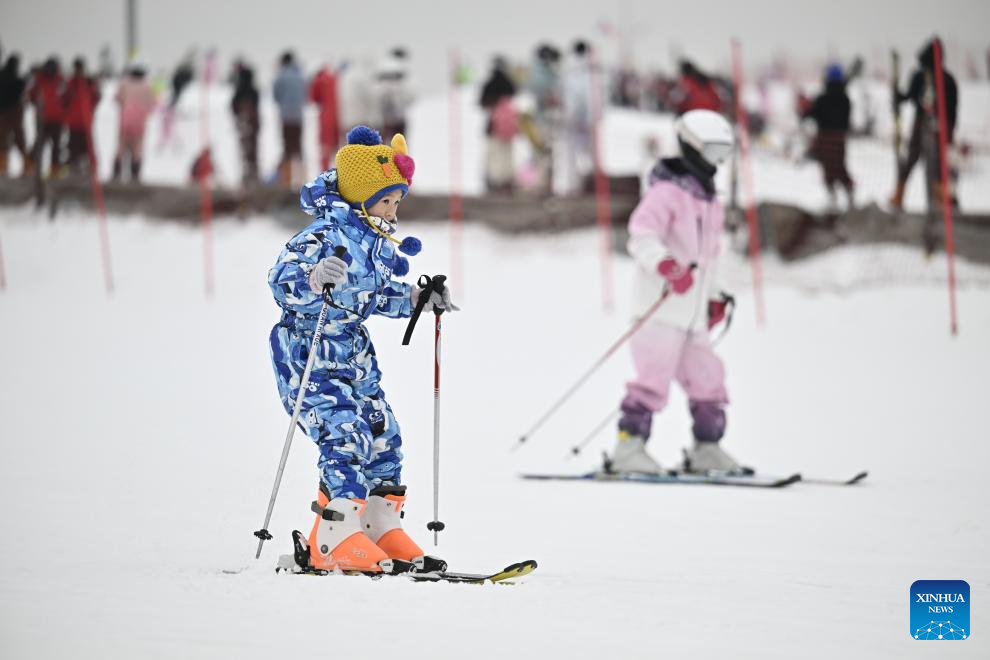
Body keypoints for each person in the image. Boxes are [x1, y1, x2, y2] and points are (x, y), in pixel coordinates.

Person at [268, 125, 457, 573]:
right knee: (345, 434)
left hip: (353, 355)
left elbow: (371, 295)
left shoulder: (372, 243)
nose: (393, 211)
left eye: (397, 202)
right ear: (360, 196)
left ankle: (377, 523)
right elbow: (281, 281)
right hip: (308, 352)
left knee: (382, 433)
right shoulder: (322, 237)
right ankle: (333, 536)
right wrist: (313, 280)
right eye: (386, 201)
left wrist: (414, 298)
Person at [609, 109, 745, 475]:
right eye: (713, 153)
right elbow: (641, 236)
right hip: (660, 308)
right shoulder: (666, 193)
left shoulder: (710, 200)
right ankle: (628, 448)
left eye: (723, 154)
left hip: (692, 313)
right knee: (651, 380)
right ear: (693, 147)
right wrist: (667, 266)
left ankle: (707, 448)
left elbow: (708, 258)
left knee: (708, 379)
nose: (717, 163)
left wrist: (714, 296)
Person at [889, 37, 958, 211]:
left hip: (932, 126)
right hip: (937, 126)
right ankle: (903, 195)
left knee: (928, 162)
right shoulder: (944, 78)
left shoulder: (932, 78)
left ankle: (938, 200)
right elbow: (954, 109)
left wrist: (898, 97)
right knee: (936, 163)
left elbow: (908, 97)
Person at [802, 64, 854, 212]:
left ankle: (833, 198)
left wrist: (804, 106)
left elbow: (808, 114)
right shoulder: (846, 99)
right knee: (840, 166)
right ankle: (849, 195)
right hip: (840, 139)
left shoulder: (822, 99)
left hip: (824, 138)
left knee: (828, 169)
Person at [112, 62, 156, 182]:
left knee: (120, 149)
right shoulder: (148, 86)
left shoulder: (124, 84)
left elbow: (116, 99)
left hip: (125, 122)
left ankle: (116, 174)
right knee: (137, 150)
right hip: (139, 124)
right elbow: (153, 104)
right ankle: (135, 176)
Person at [479, 57, 518, 192]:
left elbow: (482, 102)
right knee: (507, 153)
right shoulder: (509, 84)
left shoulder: (489, 84)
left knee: (494, 154)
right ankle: (507, 180)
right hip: (509, 127)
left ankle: (496, 181)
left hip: (494, 126)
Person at [61, 57, 101, 175]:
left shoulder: (88, 83)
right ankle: (72, 168)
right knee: (73, 147)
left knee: (87, 147)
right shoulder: (70, 83)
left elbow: (95, 99)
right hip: (74, 122)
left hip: (85, 122)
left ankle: (90, 169)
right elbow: (64, 100)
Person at [27, 57, 65, 178]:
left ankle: (55, 169)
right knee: (39, 143)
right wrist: (38, 107)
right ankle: (30, 167)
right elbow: (31, 95)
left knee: (56, 146)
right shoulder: (40, 80)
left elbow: (67, 98)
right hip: (42, 118)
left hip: (57, 119)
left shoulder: (60, 80)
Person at [273, 51, 306, 185]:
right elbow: (305, 94)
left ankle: (286, 180)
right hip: (298, 116)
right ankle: (301, 180)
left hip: (286, 116)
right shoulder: (300, 76)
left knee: (287, 148)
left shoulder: (281, 77)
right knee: (298, 148)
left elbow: (276, 95)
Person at [0, 53, 32, 176]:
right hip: (11, 112)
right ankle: (25, 165)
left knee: (4, 139)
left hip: (4, 112)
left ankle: (3, 166)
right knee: (18, 138)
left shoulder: (3, 74)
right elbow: (19, 87)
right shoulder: (13, 77)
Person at [231, 63, 260, 183]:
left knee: (244, 151)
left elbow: (233, 107)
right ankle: (253, 174)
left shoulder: (239, 91)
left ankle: (246, 175)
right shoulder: (254, 91)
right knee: (253, 151)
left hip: (243, 125)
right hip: (252, 125)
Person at [309, 64, 341, 171]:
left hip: (326, 117)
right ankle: (341, 174)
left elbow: (313, 98)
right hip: (340, 116)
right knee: (339, 148)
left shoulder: (319, 80)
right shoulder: (338, 78)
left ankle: (325, 175)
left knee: (325, 149)